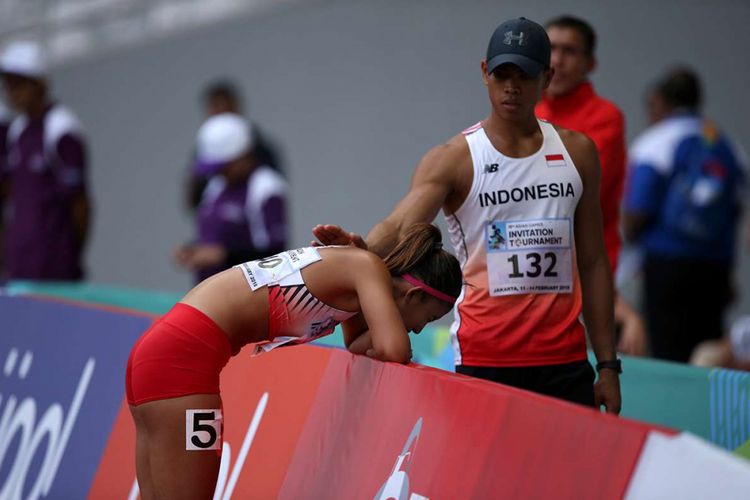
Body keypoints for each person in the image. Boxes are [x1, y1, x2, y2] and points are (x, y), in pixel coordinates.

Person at [314, 17, 621, 413]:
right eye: (501, 74)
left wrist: (609, 366)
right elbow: (400, 224)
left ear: (546, 77)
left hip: (564, 362)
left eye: (524, 75)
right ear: (484, 73)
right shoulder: (455, 158)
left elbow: (594, 262)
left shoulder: (577, 153)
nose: (511, 87)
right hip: (484, 358)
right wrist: (358, 250)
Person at [128, 223, 462, 498]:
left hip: (163, 352)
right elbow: (394, 349)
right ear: (414, 294)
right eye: (427, 319)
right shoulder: (365, 265)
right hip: (183, 361)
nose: (417, 330)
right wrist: (392, 325)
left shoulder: (357, 272)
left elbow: (356, 345)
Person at [534, 15, 646, 356]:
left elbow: (571, 191)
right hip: (528, 263)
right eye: (550, 49)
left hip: (586, 268)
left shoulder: (605, 117)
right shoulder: (528, 109)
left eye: (569, 51)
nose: (557, 60)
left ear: (590, 63)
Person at [623, 67, 746, 363]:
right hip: (715, 269)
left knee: (667, 354)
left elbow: (637, 209)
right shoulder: (726, 144)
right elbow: (737, 210)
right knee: (707, 354)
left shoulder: (656, 141)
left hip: (668, 267)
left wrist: (630, 244)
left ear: (659, 102)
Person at [0, 41, 91, 281]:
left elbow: (80, 205)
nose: (12, 91)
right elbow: (14, 200)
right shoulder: (17, 131)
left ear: (40, 83)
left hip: (55, 269)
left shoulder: (62, 129)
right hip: (20, 266)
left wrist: (67, 259)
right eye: (8, 84)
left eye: (19, 83)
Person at [173, 112, 288, 282]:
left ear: (243, 156)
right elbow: (215, 236)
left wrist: (223, 256)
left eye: (225, 166)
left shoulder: (266, 186)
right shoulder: (217, 184)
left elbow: (276, 254)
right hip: (208, 293)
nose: (220, 172)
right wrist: (193, 250)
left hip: (246, 299)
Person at [186, 80, 284, 210]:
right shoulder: (203, 153)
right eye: (216, 109)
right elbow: (192, 201)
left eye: (227, 110)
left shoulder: (260, 150)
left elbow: (276, 196)